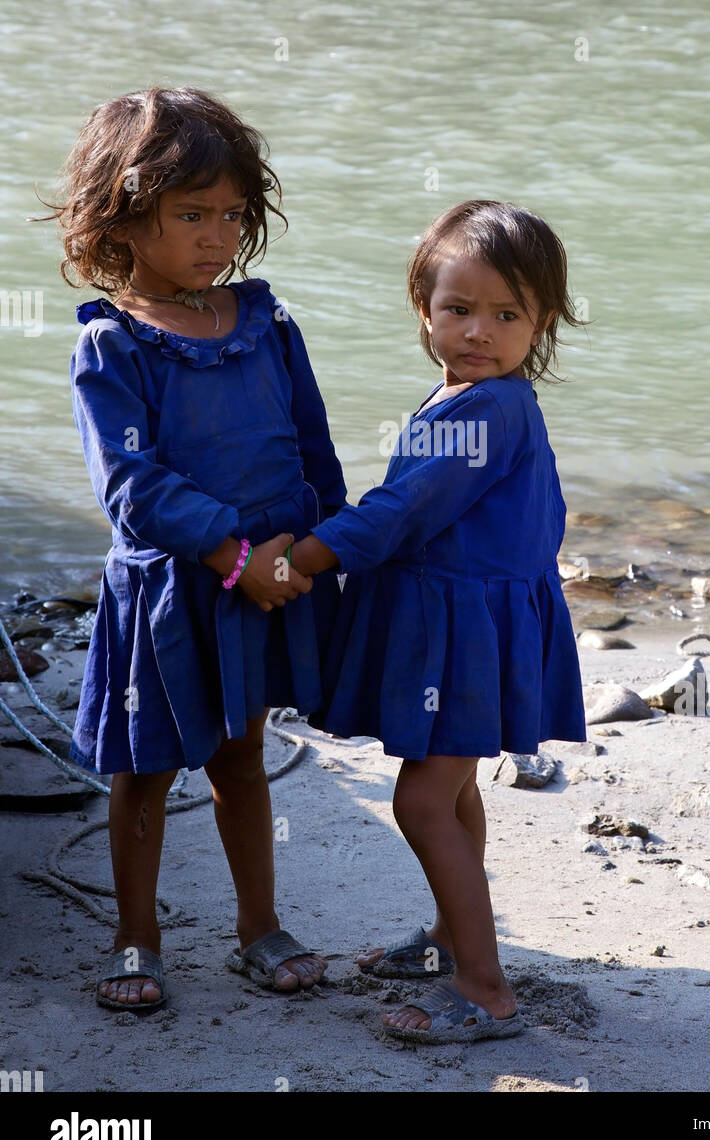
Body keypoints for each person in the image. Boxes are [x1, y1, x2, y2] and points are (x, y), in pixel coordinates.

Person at [48, 87, 346, 1011]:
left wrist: (309, 545)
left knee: (241, 757)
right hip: (171, 594)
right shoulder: (114, 347)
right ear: (124, 218)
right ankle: (137, 939)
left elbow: (313, 448)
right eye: (190, 215)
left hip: (264, 581)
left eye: (231, 214)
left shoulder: (267, 325)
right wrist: (232, 556)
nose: (216, 236)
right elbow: (131, 488)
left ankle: (258, 926)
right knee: (143, 769)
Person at [289, 199, 587, 1044]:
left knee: (421, 802)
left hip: (468, 636)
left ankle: (486, 988)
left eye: (506, 315)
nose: (478, 333)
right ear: (424, 309)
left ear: (542, 323)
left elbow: (398, 514)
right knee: (451, 791)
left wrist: (301, 557)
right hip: (466, 626)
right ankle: (453, 939)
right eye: (458, 310)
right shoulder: (466, 393)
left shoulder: (489, 411)